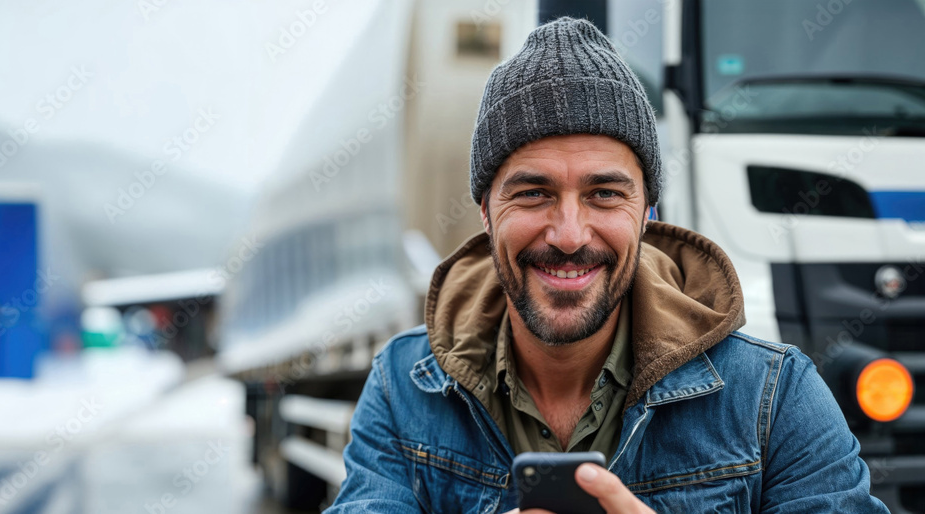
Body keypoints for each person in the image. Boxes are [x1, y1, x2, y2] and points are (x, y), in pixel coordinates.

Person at [326, 17, 888, 513]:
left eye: (604, 194)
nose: (570, 235)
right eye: (533, 193)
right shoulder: (403, 389)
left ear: (647, 213)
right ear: (486, 213)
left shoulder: (774, 397)